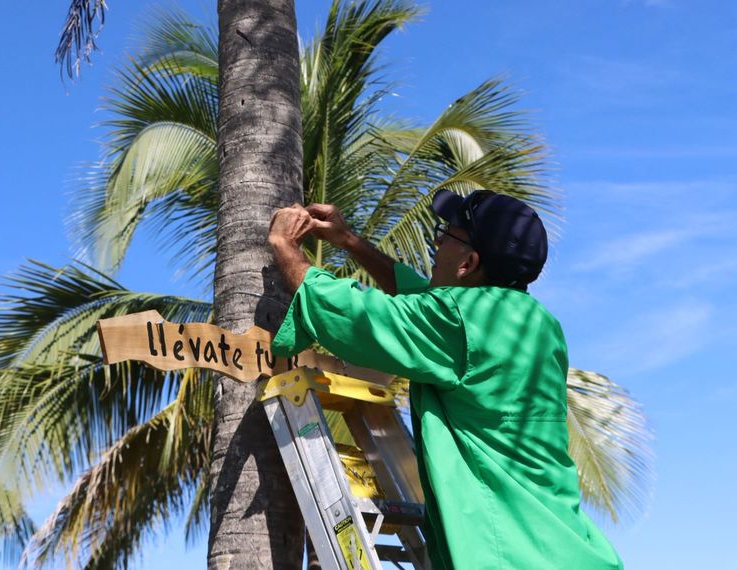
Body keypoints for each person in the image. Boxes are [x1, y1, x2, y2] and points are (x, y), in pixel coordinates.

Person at [267, 190, 623, 569]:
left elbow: (354, 315)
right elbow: (424, 301)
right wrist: (349, 241)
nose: (437, 244)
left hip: (509, 558)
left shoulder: (458, 322)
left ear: (468, 262)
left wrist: (285, 247)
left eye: (446, 236)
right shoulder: (536, 323)